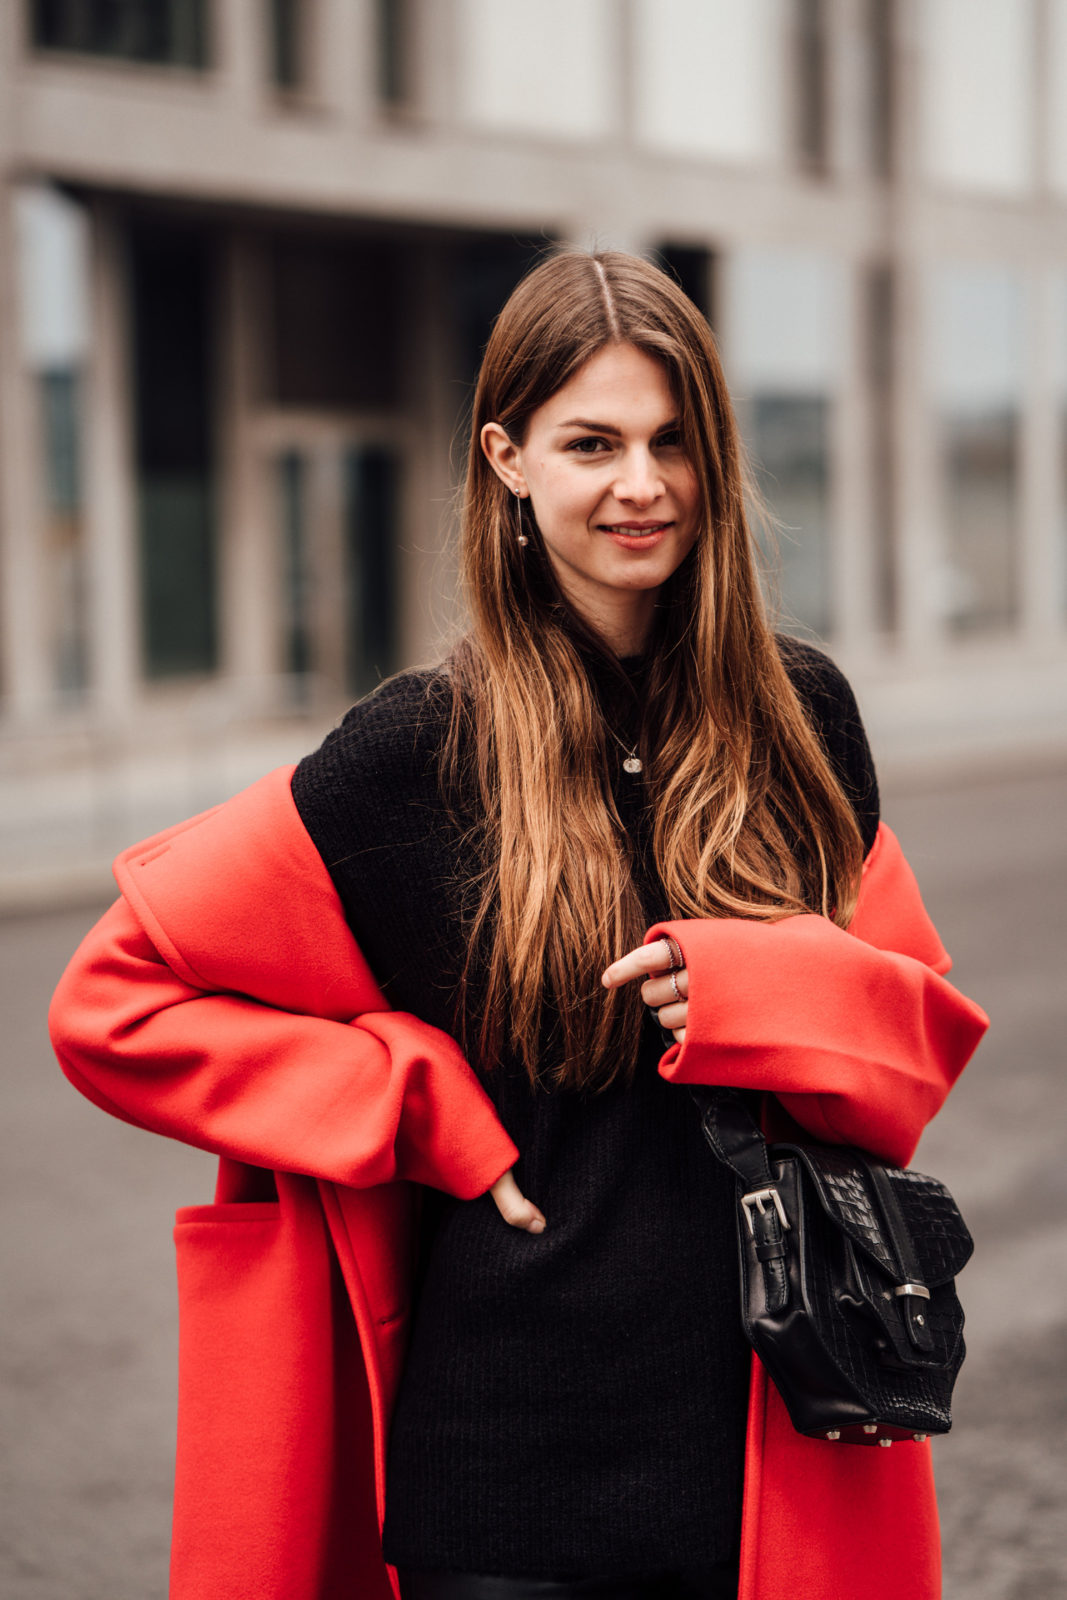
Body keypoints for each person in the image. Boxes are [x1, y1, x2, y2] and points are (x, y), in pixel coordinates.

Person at [50, 251, 988, 1600]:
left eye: (673, 442)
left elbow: (911, 1051)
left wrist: (767, 992)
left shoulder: (803, 720)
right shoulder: (410, 753)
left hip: (775, 1440)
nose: (641, 484)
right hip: (500, 1477)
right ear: (508, 460)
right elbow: (109, 1004)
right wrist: (408, 1095)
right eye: (592, 443)